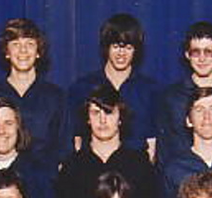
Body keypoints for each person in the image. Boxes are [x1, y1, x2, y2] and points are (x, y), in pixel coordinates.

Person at [56, 85, 158, 198]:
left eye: (109, 112)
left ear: (120, 118)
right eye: (95, 113)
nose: (102, 120)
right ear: (87, 119)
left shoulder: (140, 164)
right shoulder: (72, 166)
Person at [66, 13, 161, 160]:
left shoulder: (150, 91)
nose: (121, 53)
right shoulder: (82, 88)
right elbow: (76, 138)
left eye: (128, 47)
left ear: (136, 50)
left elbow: (153, 143)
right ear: (106, 47)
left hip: (137, 173)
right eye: (116, 46)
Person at [0, 18, 66, 167]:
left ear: (38, 52)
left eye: (29, 44)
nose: (23, 51)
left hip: (44, 181)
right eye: (16, 44)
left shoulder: (56, 96)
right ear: (6, 52)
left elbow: (64, 150)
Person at [156, 22, 212, 163]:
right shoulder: (171, 97)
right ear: (187, 55)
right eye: (196, 52)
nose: (202, 59)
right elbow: (164, 152)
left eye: (209, 52)